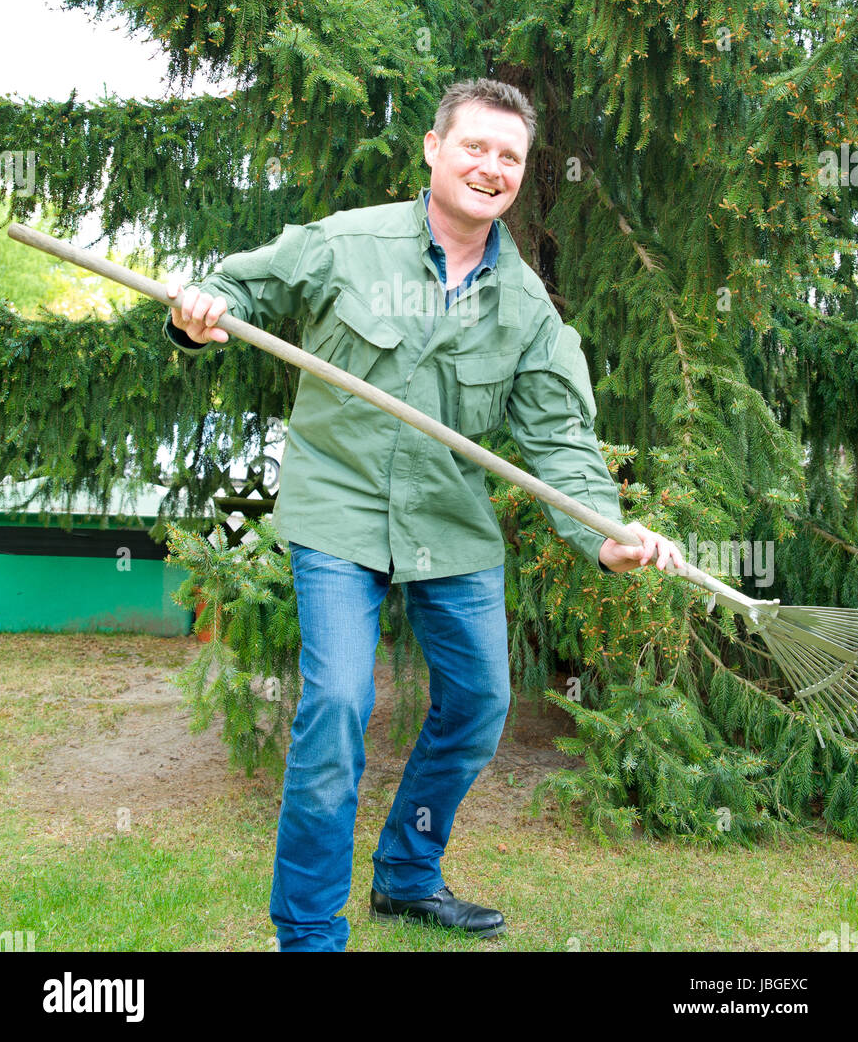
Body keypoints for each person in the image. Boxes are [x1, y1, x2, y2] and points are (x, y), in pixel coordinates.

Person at [164, 77, 683, 952]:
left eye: (509, 157)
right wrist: (201, 315)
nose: (490, 167)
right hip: (341, 509)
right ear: (434, 150)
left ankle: (407, 874)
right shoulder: (344, 243)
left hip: (449, 526)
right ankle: (309, 933)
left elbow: (559, 440)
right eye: (474, 147)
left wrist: (606, 534)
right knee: (335, 702)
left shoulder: (527, 314)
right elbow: (231, 289)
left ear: (520, 176)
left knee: (480, 701)